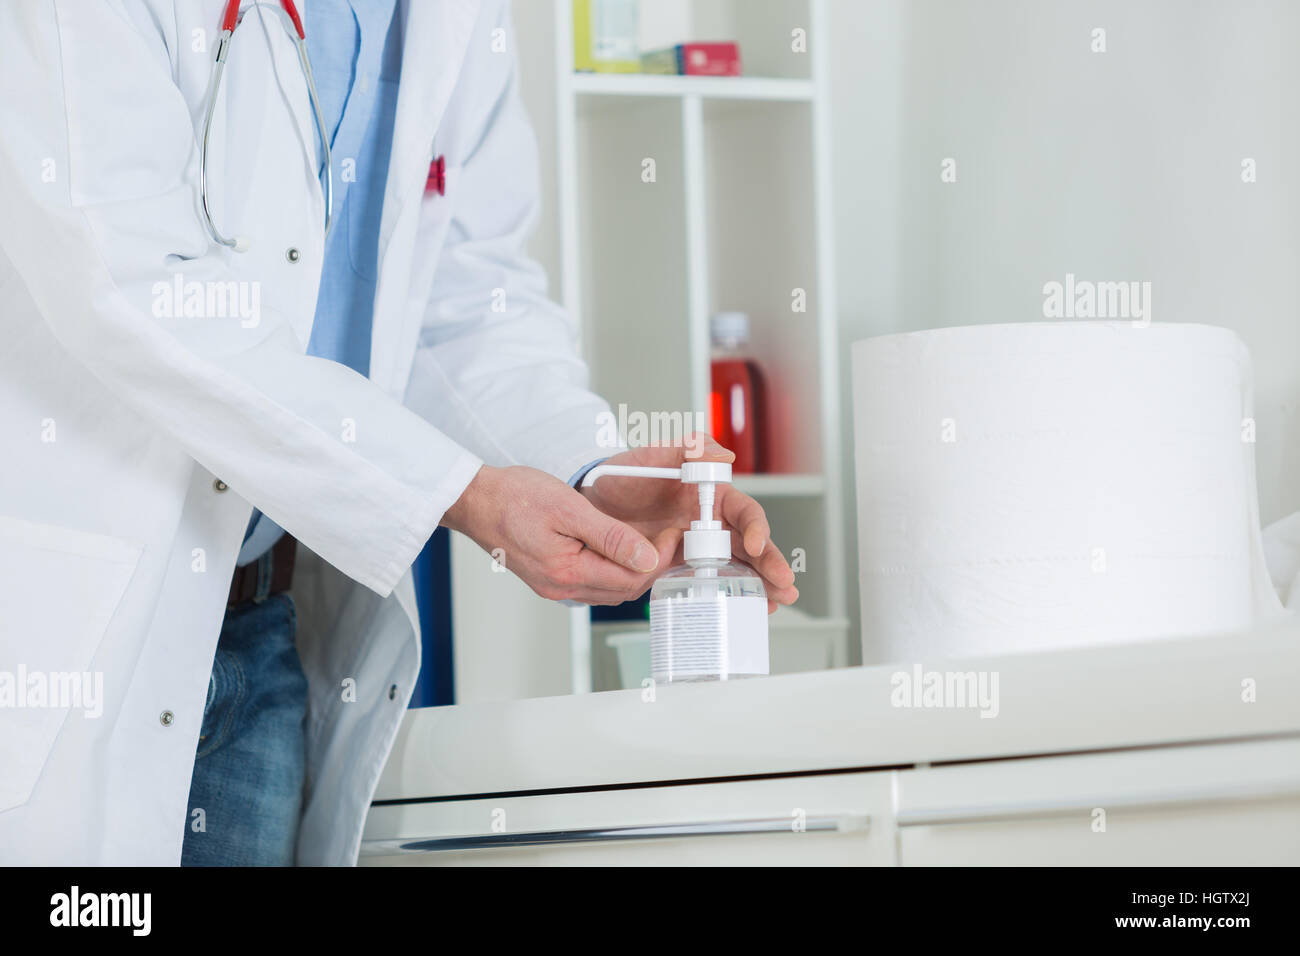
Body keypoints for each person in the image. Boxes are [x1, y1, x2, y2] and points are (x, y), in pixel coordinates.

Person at [0, 0, 796, 865]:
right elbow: (134, 283)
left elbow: (466, 306)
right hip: (81, 628)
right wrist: (463, 495)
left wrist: (586, 472)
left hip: (264, 623)